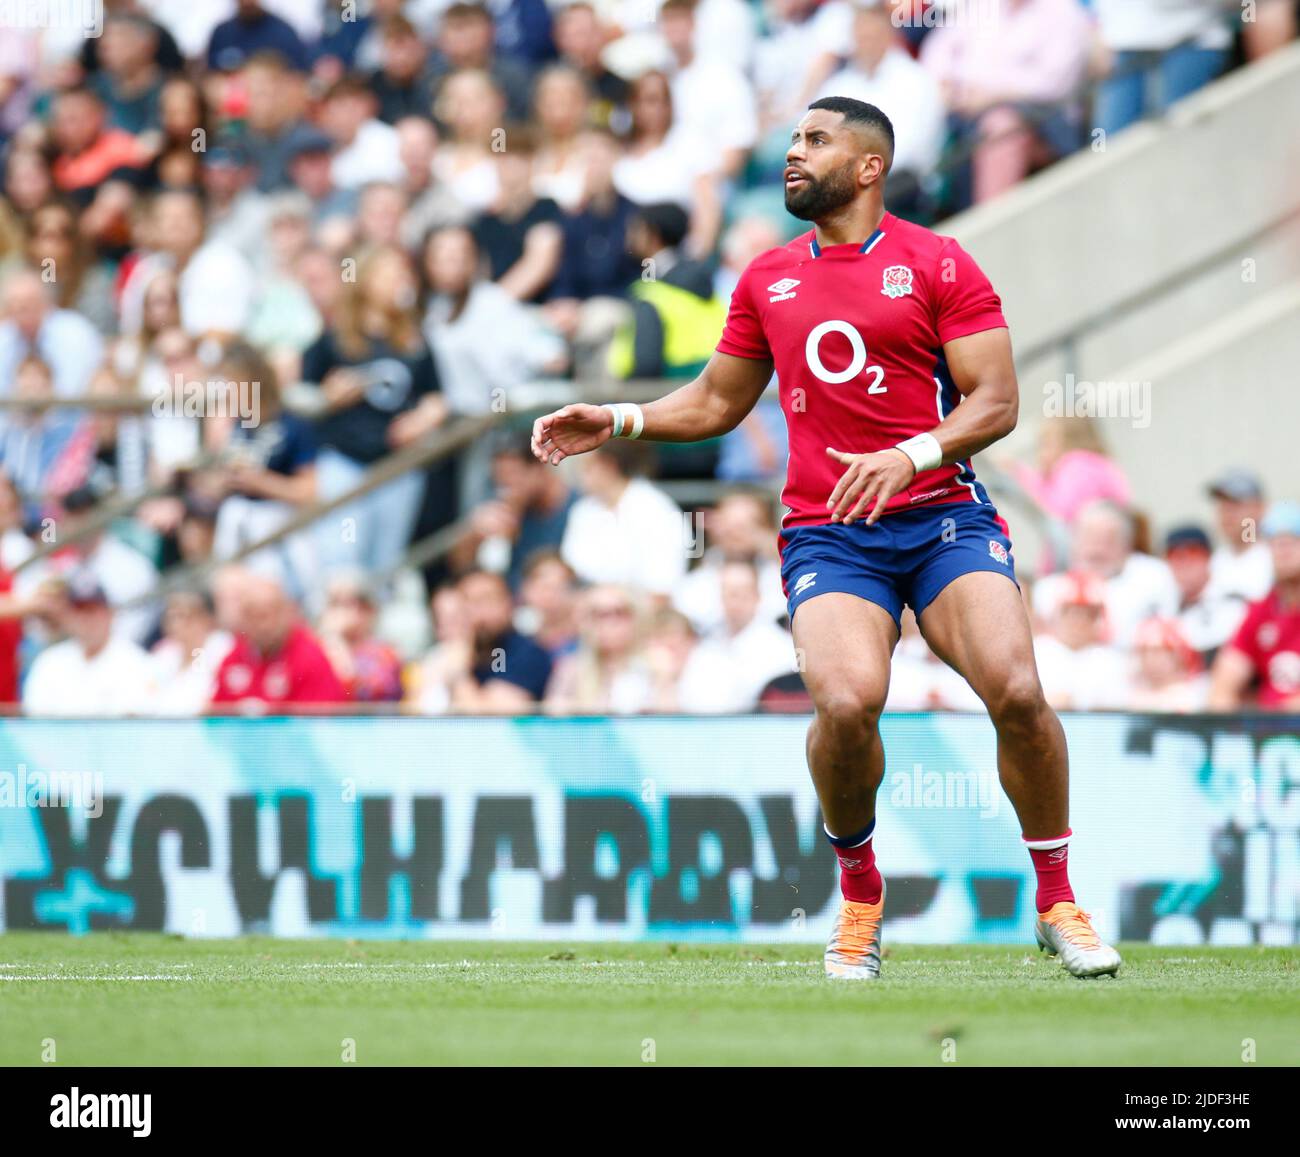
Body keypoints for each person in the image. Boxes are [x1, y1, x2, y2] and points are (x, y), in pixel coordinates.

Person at [530, 96, 1120, 979]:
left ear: (869, 166)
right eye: (794, 140)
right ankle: (860, 894)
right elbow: (717, 402)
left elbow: (996, 400)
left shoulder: (939, 260)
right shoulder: (768, 277)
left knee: (1018, 690)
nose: (794, 154)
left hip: (943, 517)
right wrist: (615, 417)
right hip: (831, 530)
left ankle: (1056, 899)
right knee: (846, 704)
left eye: (815, 141)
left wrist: (910, 453)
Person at [22, 572, 158, 716]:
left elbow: (136, 725)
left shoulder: (137, 663)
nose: (87, 619)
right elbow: (34, 720)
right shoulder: (49, 661)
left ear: (110, 614)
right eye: (80, 610)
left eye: (93, 610)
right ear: (67, 616)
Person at [1209, 501, 1300, 711]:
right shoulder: (1262, 611)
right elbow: (1222, 687)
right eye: (1276, 543)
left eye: (1293, 541)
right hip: (1267, 734)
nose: (1283, 551)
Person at [210, 573, 349, 710]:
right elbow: (215, 716)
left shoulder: (310, 657)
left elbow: (321, 722)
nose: (263, 625)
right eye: (254, 616)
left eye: (269, 614)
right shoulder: (234, 658)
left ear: (287, 612)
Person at [1205, 468, 1273, 601]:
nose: (1226, 512)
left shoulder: (1276, 559)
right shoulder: (1215, 561)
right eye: (1222, 504)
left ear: (1260, 508)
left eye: (1235, 504)